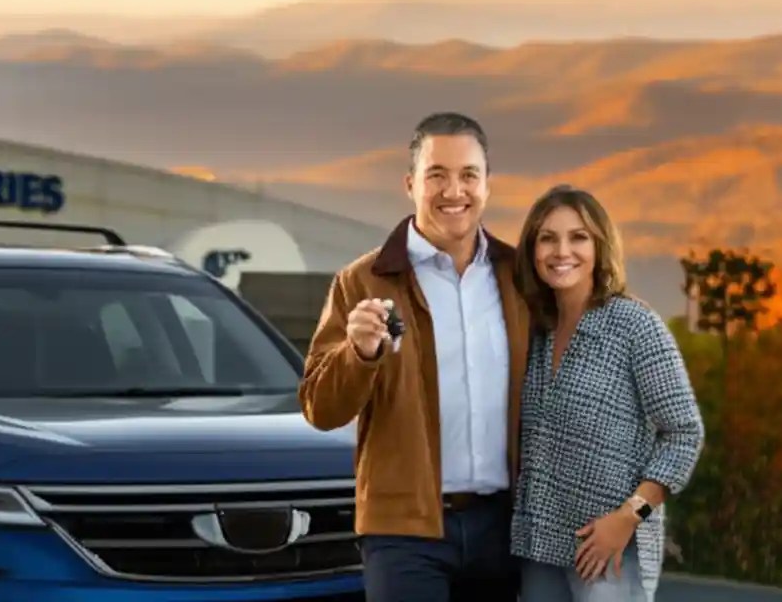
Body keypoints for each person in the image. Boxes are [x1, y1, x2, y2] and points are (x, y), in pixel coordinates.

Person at [299, 112, 530, 602]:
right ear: (410, 184)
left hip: (505, 527)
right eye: (437, 174)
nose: (454, 191)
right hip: (402, 532)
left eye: (469, 175)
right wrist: (358, 354)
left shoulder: (519, 278)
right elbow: (320, 408)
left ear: (488, 184)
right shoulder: (362, 281)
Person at [509, 184, 705, 602]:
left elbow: (684, 435)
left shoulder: (635, 325)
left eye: (578, 237)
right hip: (539, 549)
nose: (562, 251)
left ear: (600, 246)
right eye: (548, 238)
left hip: (611, 552)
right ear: (532, 251)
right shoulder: (535, 332)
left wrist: (628, 517)